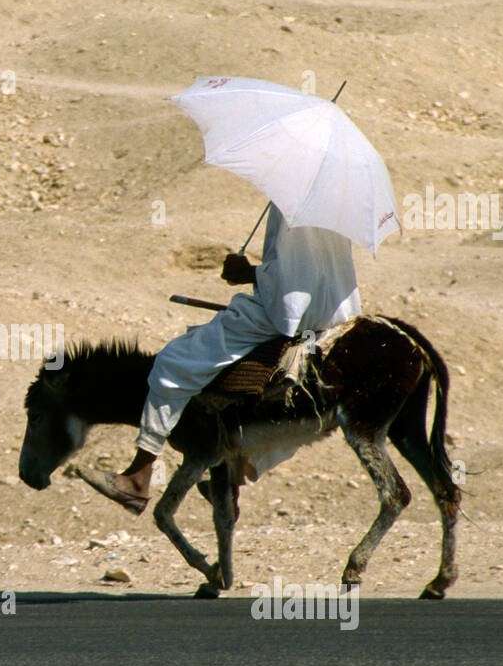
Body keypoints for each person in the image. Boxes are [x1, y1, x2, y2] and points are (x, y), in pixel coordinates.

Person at [77, 203, 361, 514]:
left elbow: (294, 279)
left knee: (173, 362)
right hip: (331, 315)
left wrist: (247, 272)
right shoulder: (335, 201)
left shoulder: (293, 202)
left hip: (288, 314)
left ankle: (137, 478)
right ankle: (231, 474)